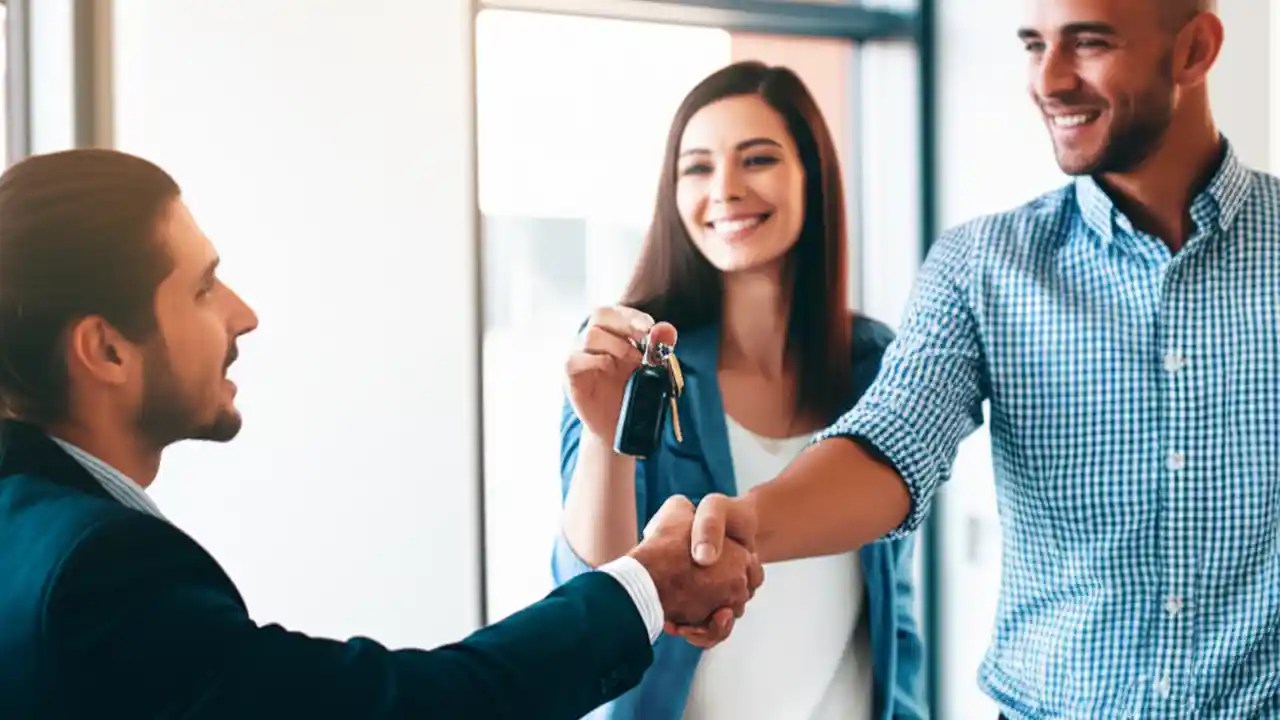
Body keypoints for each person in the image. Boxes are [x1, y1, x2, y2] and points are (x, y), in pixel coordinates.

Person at [0, 148, 763, 720]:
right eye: (202, 287)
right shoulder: (98, 570)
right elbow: (392, 709)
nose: (244, 313)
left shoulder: (32, 525)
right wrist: (646, 585)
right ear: (104, 350)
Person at [680, 1, 1280, 718]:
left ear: (1194, 50)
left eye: (1088, 44)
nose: (1049, 81)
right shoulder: (983, 265)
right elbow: (891, 443)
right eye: (1034, 45)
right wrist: (747, 524)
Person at [557, 61, 926, 720]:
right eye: (696, 167)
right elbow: (587, 603)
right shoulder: (631, 361)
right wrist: (603, 434)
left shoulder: (876, 365)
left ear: (812, 176)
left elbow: (893, 608)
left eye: (756, 159)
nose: (724, 188)